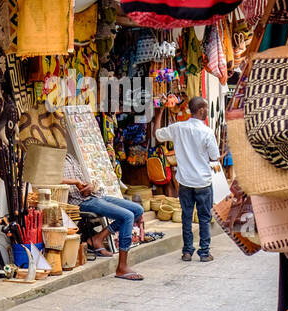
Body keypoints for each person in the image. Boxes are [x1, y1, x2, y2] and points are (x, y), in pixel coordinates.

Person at [154, 96, 220, 262]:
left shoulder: (178, 128)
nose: (206, 111)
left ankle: (187, 251)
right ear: (202, 110)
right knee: (204, 218)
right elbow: (214, 157)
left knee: (186, 217)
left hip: (185, 182)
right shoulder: (207, 132)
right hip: (203, 182)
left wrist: (159, 113)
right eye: (205, 108)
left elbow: (157, 135)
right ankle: (204, 252)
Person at [63, 151, 145, 281]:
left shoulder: (70, 157)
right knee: (127, 216)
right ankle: (122, 267)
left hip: (94, 196)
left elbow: (83, 181)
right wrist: (74, 182)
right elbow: (47, 180)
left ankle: (98, 238)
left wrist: (88, 186)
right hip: (79, 202)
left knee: (138, 210)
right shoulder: (50, 158)